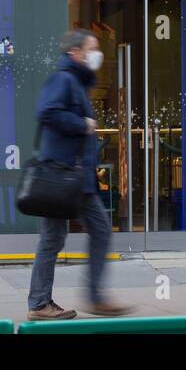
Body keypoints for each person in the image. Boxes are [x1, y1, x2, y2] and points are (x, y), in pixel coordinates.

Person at [26, 29, 131, 321]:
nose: (96, 54)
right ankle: (48, 302)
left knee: (60, 237)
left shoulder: (76, 81)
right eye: (91, 48)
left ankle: (48, 301)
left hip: (74, 178)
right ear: (75, 52)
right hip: (64, 177)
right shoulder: (64, 79)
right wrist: (82, 123)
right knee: (71, 235)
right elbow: (46, 112)